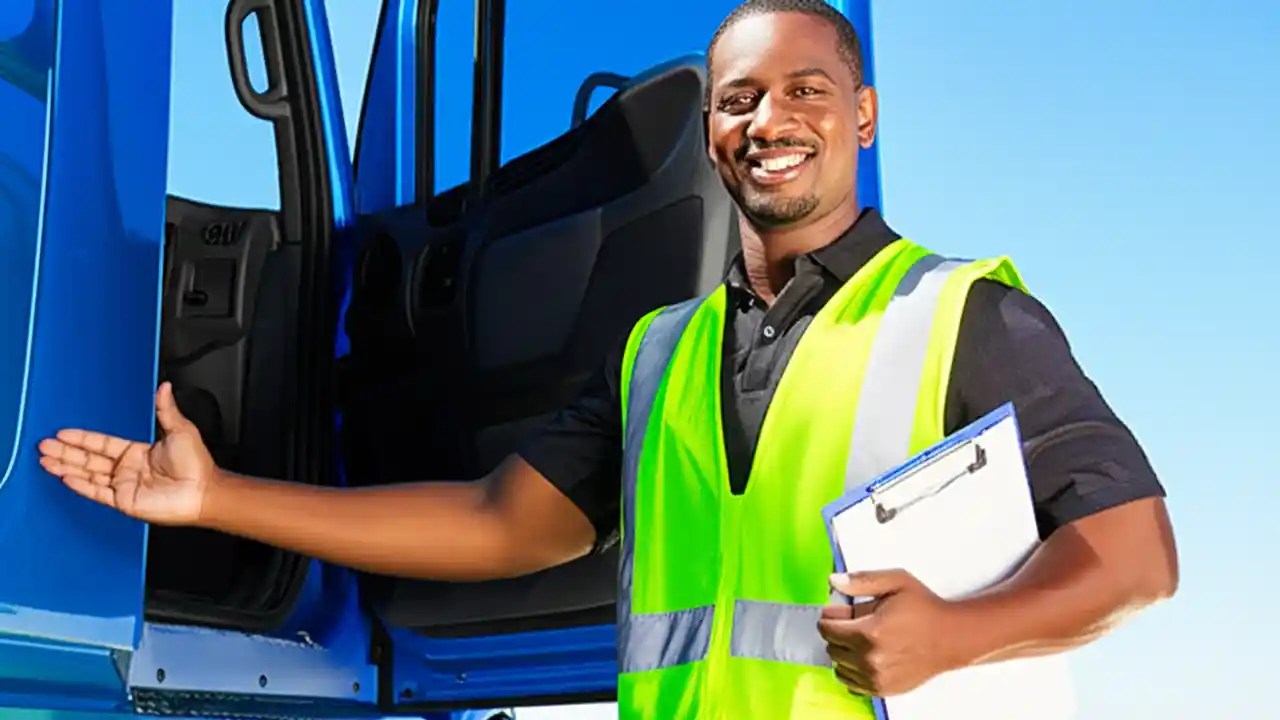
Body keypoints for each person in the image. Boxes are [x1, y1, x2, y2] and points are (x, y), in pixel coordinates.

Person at [38, 1, 1178, 717]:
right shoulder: (658, 354)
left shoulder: (961, 314)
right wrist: (219, 498)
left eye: (804, 91)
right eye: (737, 100)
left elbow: (1133, 554)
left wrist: (957, 634)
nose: (767, 121)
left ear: (861, 117)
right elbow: (497, 526)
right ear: (711, 132)